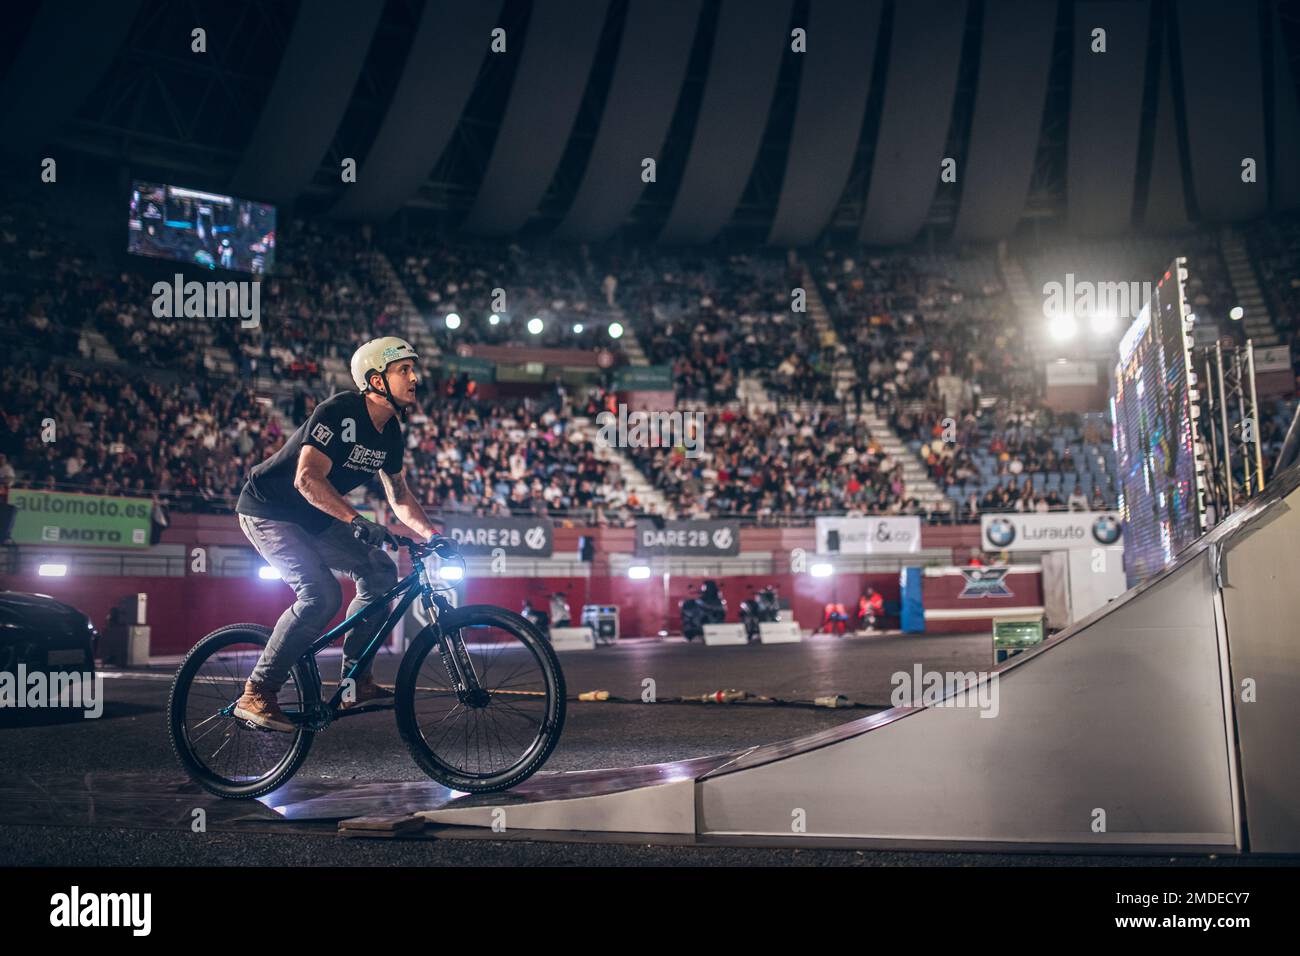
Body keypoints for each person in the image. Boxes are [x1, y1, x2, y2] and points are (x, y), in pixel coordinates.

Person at [231, 337, 441, 732]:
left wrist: (432, 533)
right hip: (270, 510)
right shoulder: (340, 411)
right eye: (404, 370)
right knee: (321, 594)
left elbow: (399, 495)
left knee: (379, 571)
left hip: (313, 516)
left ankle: (354, 682)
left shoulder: (390, 430)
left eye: (414, 369)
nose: (415, 378)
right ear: (376, 380)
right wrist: (355, 519)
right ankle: (257, 691)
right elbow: (307, 479)